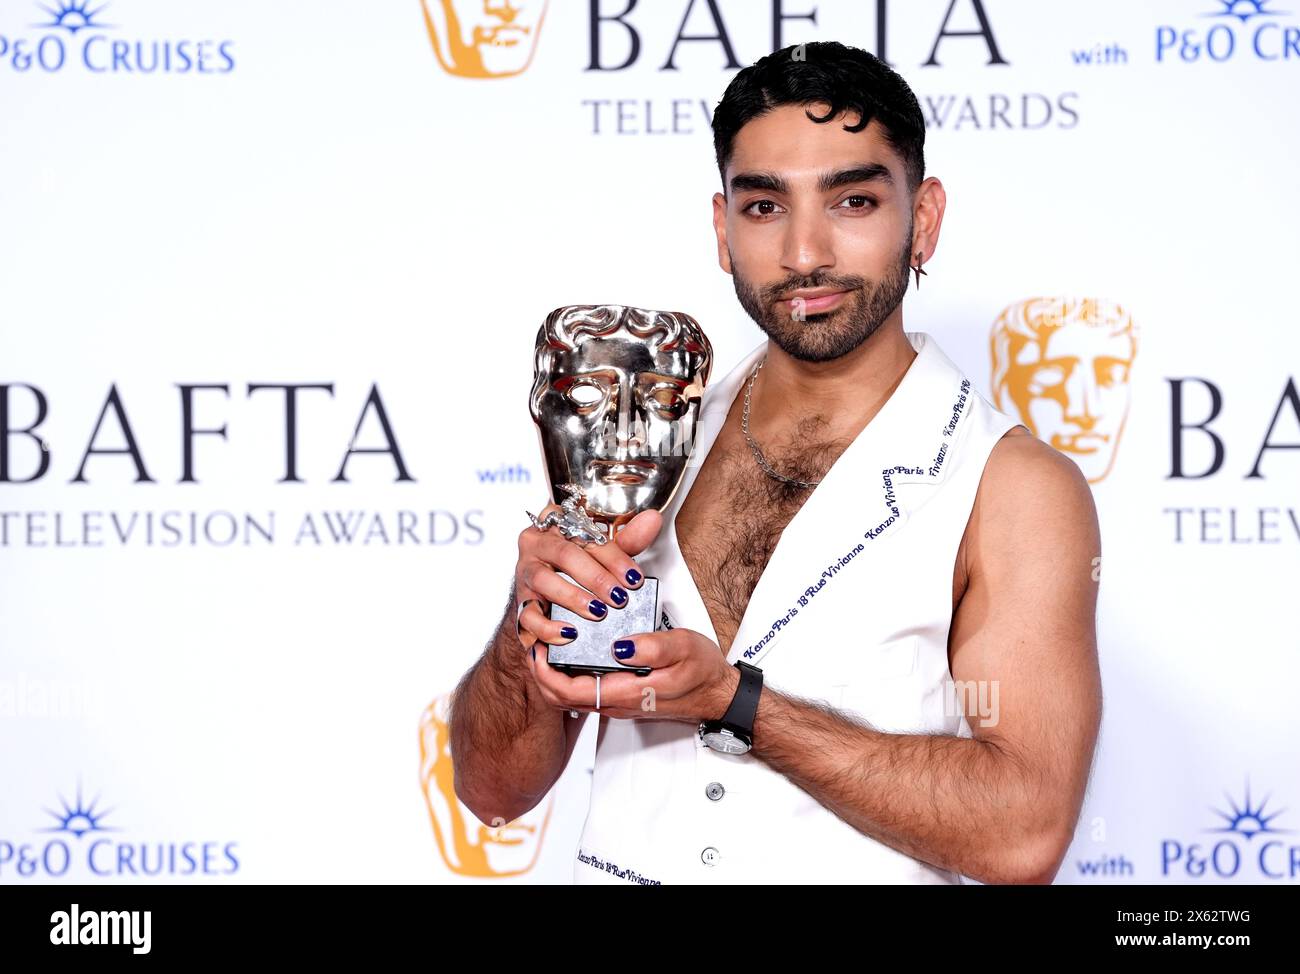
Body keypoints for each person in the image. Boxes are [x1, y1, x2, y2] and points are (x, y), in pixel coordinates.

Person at [448, 40, 1102, 885]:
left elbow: (1024, 834)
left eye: (854, 200)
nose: (804, 253)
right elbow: (493, 791)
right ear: (723, 229)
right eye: (764, 208)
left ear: (925, 218)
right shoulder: (647, 441)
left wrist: (734, 703)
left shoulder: (1011, 486)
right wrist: (526, 623)